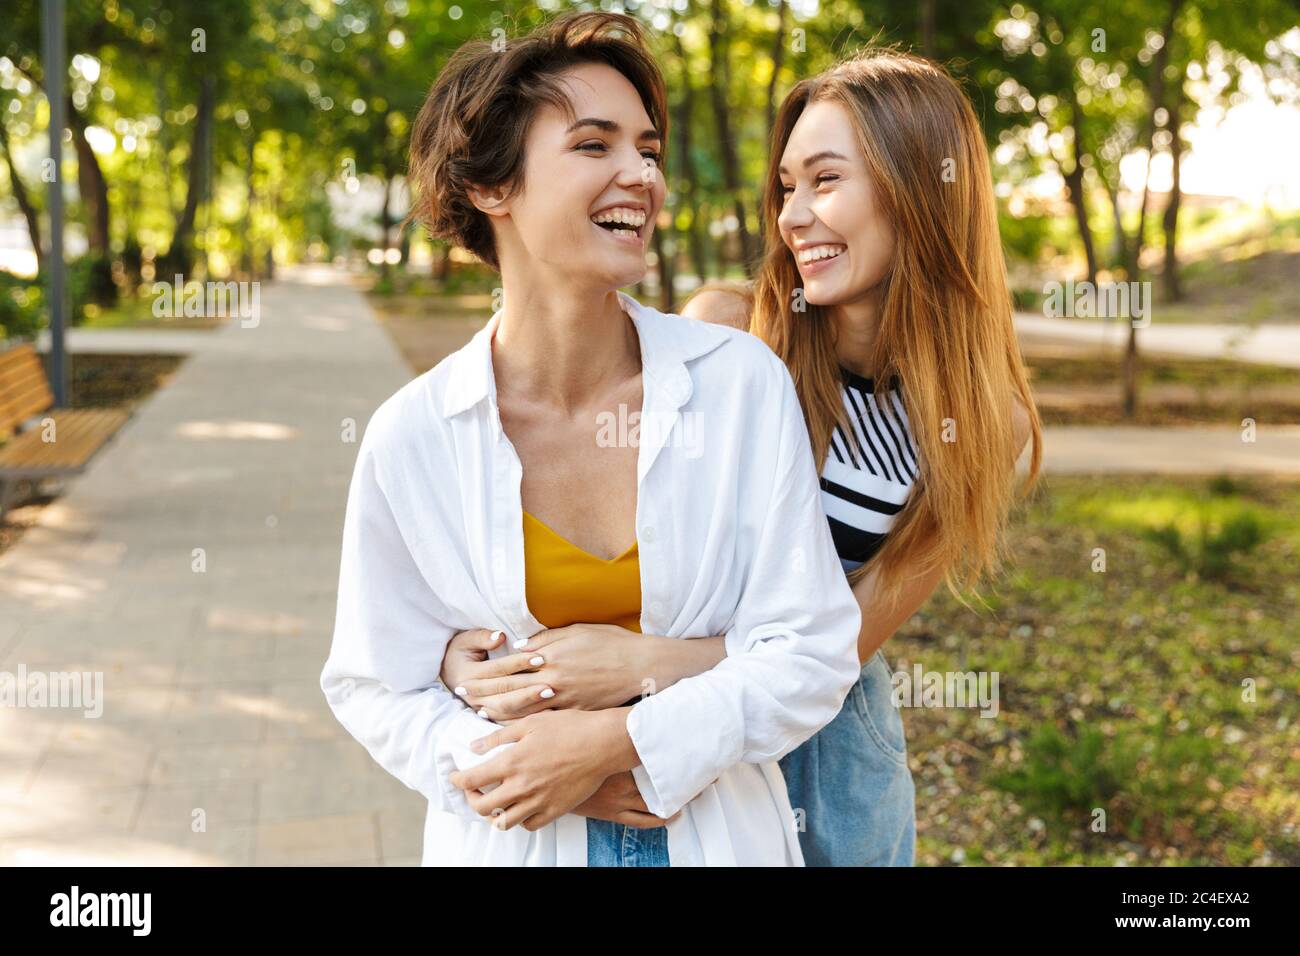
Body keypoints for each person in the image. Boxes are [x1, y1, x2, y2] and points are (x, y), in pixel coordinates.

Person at [442, 46, 1042, 866]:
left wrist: (648, 664)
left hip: (826, 752)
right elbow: (597, 534)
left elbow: (846, 640)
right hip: (644, 729)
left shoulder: (983, 421)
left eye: (825, 181)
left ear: (922, 192)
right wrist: (455, 651)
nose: (792, 216)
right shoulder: (728, 336)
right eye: (787, 186)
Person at [319, 11, 861, 867]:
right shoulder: (412, 437)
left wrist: (624, 742)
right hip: (516, 843)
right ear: (492, 186)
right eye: (594, 146)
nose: (640, 175)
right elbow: (374, 682)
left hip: (716, 838)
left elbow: (813, 653)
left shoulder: (737, 384)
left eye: (647, 150)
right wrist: (504, 764)